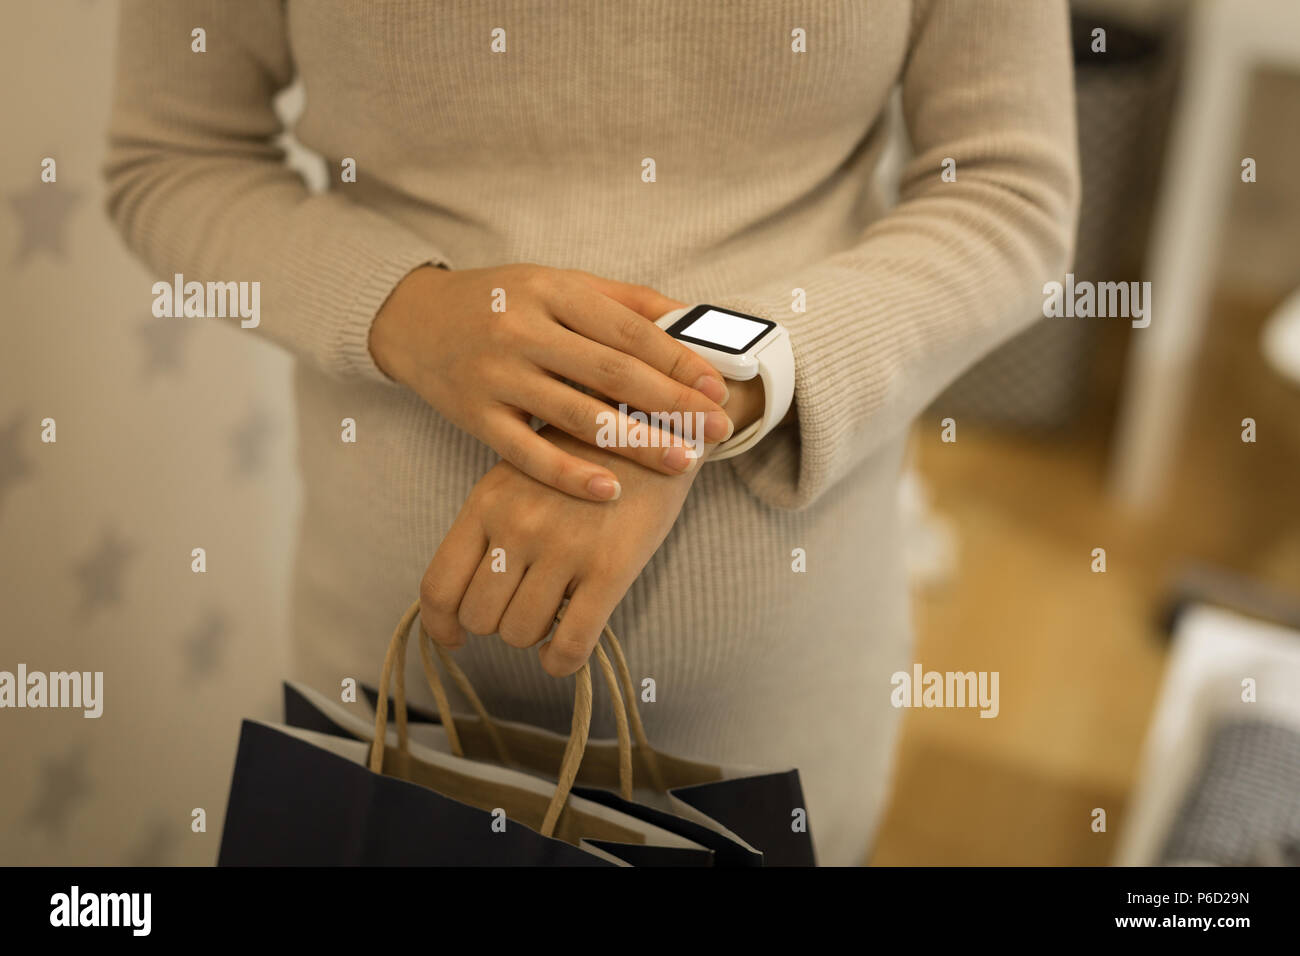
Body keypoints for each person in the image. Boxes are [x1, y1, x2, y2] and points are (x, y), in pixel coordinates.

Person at [105, 0, 1079, 865]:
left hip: (776, 697)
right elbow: (174, 159)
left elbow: (1007, 194)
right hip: (388, 701)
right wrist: (408, 313)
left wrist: (691, 399)